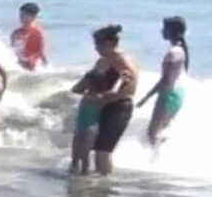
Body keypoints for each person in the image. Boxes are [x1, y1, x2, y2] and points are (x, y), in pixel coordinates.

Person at [69, 25, 137, 176]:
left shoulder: (122, 60)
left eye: (97, 44)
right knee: (92, 147)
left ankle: (105, 184)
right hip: (101, 107)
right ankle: (93, 179)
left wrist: (105, 98)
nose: (95, 48)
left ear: (107, 43)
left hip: (119, 107)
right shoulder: (102, 61)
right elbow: (88, 82)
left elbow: (130, 88)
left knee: (103, 150)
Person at [137, 16, 188, 146]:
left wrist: (146, 97)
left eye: (164, 29)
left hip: (168, 95)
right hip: (177, 94)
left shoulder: (173, 53)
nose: (161, 31)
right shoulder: (181, 50)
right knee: (159, 132)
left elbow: (165, 80)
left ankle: (167, 152)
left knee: (152, 134)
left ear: (171, 31)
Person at [10, 3, 48, 71]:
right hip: (20, 65)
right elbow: (13, 52)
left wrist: (46, 67)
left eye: (23, 15)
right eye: (20, 14)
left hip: (33, 67)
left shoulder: (37, 33)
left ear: (32, 17)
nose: (20, 17)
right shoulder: (15, 33)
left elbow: (41, 53)